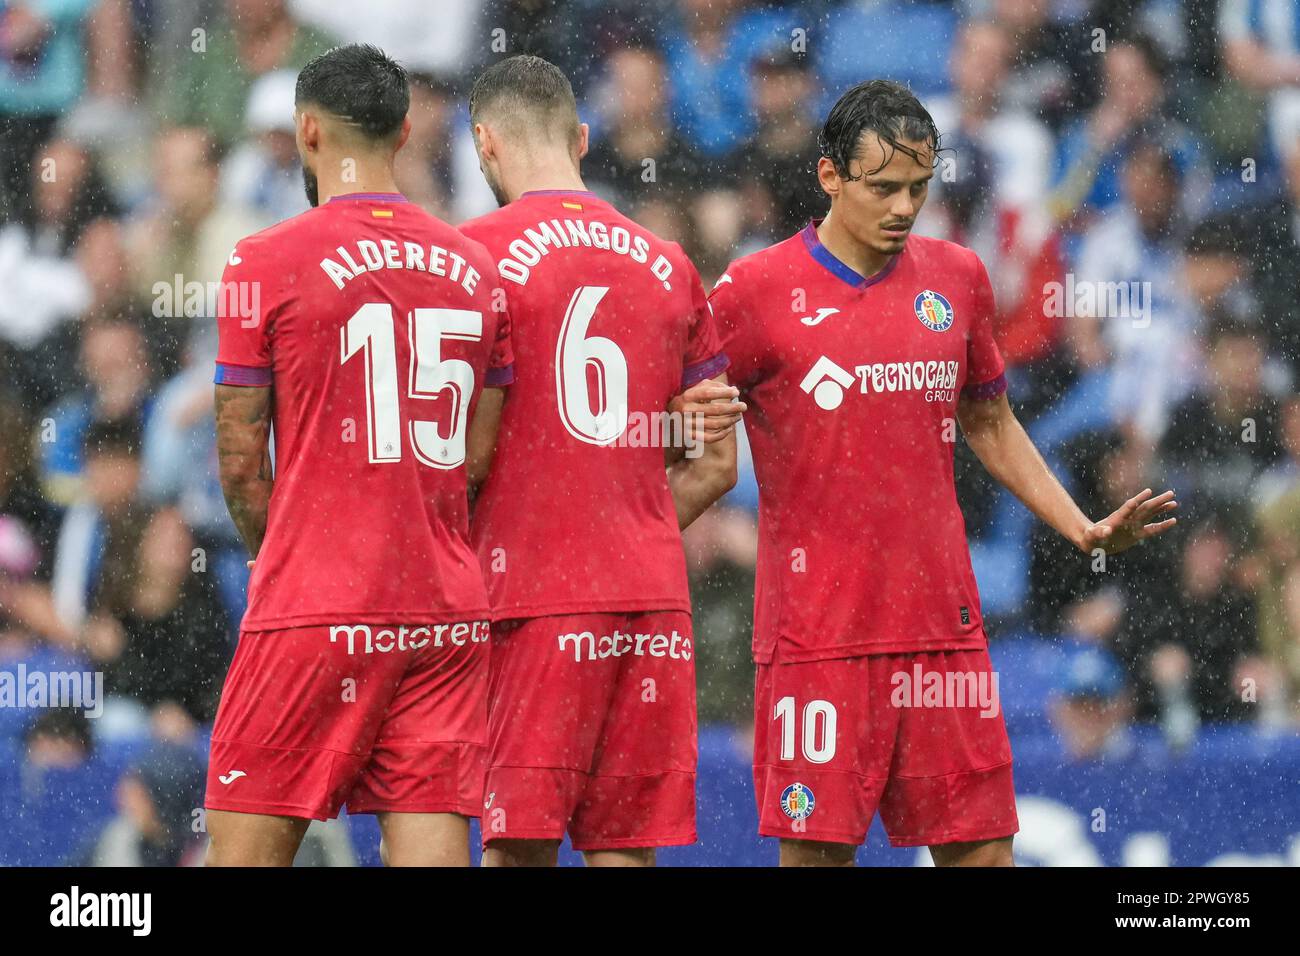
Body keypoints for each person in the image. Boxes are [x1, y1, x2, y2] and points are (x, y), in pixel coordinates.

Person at [707, 79, 1179, 867]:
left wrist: (1081, 526)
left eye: (919, 188)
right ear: (830, 177)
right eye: (883, 187)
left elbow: (990, 420)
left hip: (943, 633)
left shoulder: (957, 278)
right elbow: (682, 408)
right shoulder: (754, 292)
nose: (903, 206)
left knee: (985, 854)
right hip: (819, 639)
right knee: (817, 859)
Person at [203, 44, 513, 867]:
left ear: (307, 131)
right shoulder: (478, 271)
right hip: (443, 606)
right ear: (405, 131)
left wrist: (286, 553)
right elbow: (478, 458)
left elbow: (238, 457)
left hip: (316, 598)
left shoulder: (262, 260)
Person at [459, 54, 740, 867]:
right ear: (582, 139)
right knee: (625, 849)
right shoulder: (670, 262)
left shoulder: (468, 258)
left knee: (519, 848)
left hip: (531, 597)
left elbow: (449, 452)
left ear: (485, 144)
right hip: (650, 601)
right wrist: (635, 519)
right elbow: (717, 464)